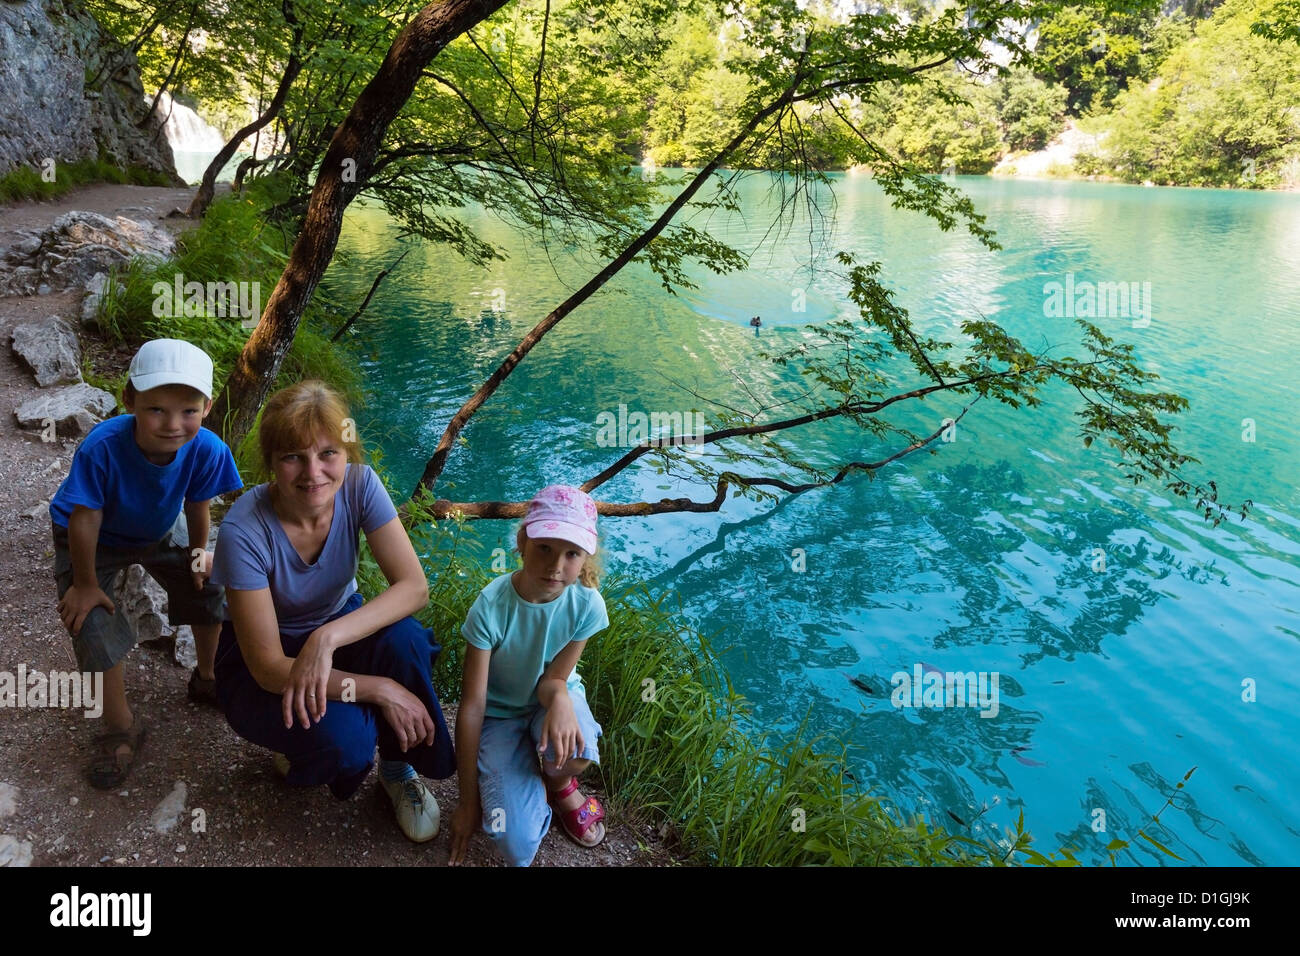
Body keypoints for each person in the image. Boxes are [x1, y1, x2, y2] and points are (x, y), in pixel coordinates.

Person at [210, 381, 454, 842]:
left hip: (337, 626)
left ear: (347, 454)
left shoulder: (360, 484)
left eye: (328, 453)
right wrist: (379, 689)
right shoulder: (245, 529)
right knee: (346, 741)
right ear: (271, 463)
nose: (313, 472)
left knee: (406, 642)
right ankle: (306, 750)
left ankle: (399, 769)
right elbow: (266, 667)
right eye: (292, 456)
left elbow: (414, 586)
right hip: (262, 664)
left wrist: (327, 638)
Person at [49, 338, 242, 789]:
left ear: (207, 407)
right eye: (157, 409)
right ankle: (119, 728)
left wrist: (197, 555)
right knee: (91, 622)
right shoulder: (103, 447)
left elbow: (198, 504)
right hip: (92, 537)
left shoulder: (207, 449)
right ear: (129, 399)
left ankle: (208, 677)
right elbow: (85, 517)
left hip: (156, 528)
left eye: (188, 411)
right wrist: (84, 582)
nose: (174, 425)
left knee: (209, 586)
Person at [448, 485, 610, 867]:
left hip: (549, 698)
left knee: (579, 748)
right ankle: (526, 783)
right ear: (523, 541)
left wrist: (561, 701)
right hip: (498, 717)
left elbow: (556, 678)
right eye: (545, 549)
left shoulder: (586, 603)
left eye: (572, 554)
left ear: (587, 555)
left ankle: (558, 783)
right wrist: (467, 803)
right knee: (516, 847)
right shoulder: (491, 606)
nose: (556, 566)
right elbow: (472, 707)